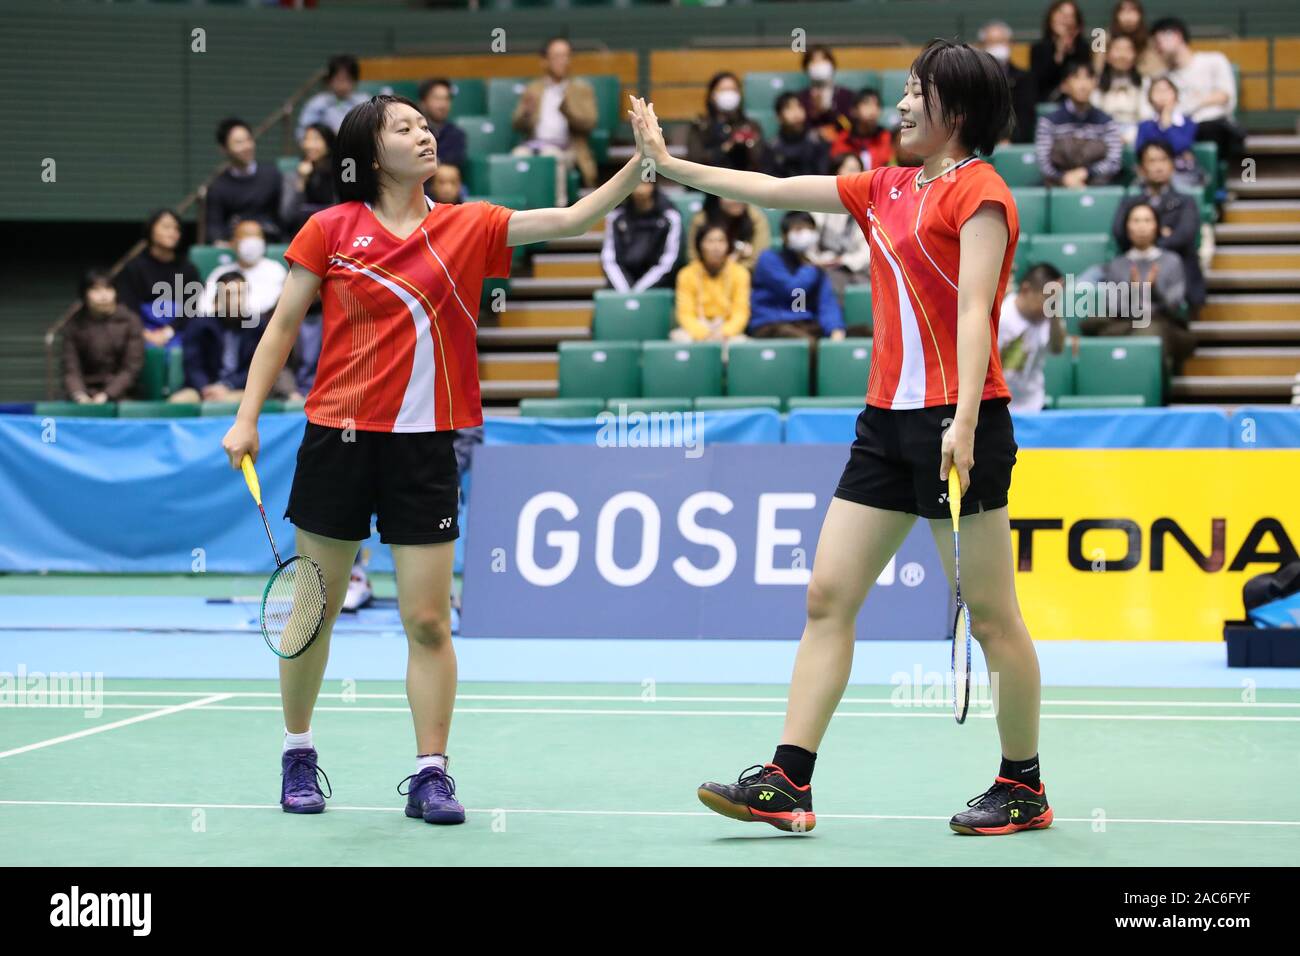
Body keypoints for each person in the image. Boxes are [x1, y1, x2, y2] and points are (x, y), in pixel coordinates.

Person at [631, 38, 1051, 836]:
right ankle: (789, 782)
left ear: (953, 112)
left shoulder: (982, 194)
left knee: (993, 618)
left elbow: (973, 309)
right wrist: (670, 165)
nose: (897, 105)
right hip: (886, 424)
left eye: (913, 92)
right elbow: (769, 184)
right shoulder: (883, 187)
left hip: (958, 423)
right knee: (827, 595)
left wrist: (961, 419)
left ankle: (1022, 784)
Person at [220, 93, 649, 824]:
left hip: (426, 445)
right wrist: (246, 417)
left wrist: (642, 161)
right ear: (369, 150)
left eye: (425, 125)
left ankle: (430, 773)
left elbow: (569, 219)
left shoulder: (467, 226)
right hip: (338, 437)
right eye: (405, 127)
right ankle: (298, 753)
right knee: (312, 612)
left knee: (428, 621)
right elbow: (282, 326)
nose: (424, 134)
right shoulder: (330, 229)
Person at [1085, 201, 1193, 375]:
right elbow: (1113, 308)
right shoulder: (1118, 265)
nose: (1141, 226)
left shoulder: (1171, 261)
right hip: (1125, 323)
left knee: (1149, 330)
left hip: (1164, 324)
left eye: (1147, 220)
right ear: (1127, 227)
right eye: (1135, 221)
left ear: (1156, 225)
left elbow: (1174, 306)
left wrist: (1153, 289)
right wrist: (1133, 292)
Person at [174, 272, 300, 405]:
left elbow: (258, 366)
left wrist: (228, 386)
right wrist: (206, 389)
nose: (236, 300)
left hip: (241, 389)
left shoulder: (258, 326)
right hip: (204, 389)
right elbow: (192, 365)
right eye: (229, 294)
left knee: (233, 401)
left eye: (240, 293)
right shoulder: (200, 325)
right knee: (179, 401)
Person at [1115, 139, 1205, 313]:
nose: (1158, 166)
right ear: (1141, 168)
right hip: (1135, 266)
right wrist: (1162, 234)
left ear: (1172, 165)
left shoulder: (1186, 202)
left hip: (1175, 270)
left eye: (1163, 160)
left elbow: (1184, 236)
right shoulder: (1129, 203)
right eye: (1152, 161)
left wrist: (1147, 241)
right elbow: (1120, 233)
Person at [511, 36, 599, 206]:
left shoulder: (581, 89)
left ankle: (559, 210)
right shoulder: (533, 88)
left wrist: (568, 112)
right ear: (545, 61)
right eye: (557, 56)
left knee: (551, 156)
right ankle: (516, 211)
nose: (562, 61)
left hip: (568, 148)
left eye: (565, 56)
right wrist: (526, 114)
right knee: (517, 156)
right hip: (533, 145)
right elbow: (516, 124)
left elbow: (590, 123)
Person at [1151, 17, 1245, 166]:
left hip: (1213, 126)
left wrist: (1190, 104)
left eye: (1158, 42)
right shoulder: (1162, 78)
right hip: (1180, 130)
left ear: (1175, 35)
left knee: (1212, 129)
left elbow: (1223, 95)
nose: (1157, 49)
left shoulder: (1214, 60)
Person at [748, 212, 845, 344]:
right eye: (798, 229)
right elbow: (793, 289)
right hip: (771, 324)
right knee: (807, 344)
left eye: (809, 229)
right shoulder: (768, 259)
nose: (805, 234)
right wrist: (812, 267)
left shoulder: (816, 267)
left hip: (804, 324)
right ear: (784, 236)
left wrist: (835, 329)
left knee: (861, 333)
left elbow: (827, 303)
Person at [114, 208, 202, 349]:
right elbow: (127, 306)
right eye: (166, 227)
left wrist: (168, 332)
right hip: (140, 331)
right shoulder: (133, 268)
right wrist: (145, 333)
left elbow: (191, 307)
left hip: (178, 331)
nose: (172, 233)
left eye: (176, 229)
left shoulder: (188, 269)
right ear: (151, 230)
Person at [62, 270, 145, 405]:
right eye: (96, 290)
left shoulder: (131, 321)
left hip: (123, 396)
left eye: (108, 289)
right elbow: (71, 369)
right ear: (85, 295)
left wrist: (107, 395)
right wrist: (79, 395)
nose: (104, 296)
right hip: (85, 394)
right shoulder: (73, 325)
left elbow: (131, 369)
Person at [1035, 61, 1122, 187]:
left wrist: (1086, 173)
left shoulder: (1107, 122)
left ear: (1095, 84)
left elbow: (1114, 161)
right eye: (1076, 77)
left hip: (1097, 185)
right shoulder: (1049, 122)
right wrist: (1064, 178)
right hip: (1057, 186)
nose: (1083, 84)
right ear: (1064, 85)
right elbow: (1043, 162)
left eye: (1088, 78)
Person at [997, 263, 1066, 412]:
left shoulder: (1050, 319)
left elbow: (1057, 349)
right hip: (998, 407)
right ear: (1026, 290)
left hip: (1034, 406)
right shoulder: (1001, 314)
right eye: (1046, 300)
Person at [671, 224, 751, 349]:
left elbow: (741, 313)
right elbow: (685, 314)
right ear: (700, 245)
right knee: (680, 339)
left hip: (726, 331)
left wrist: (724, 332)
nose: (716, 247)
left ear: (728, 246)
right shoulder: (686, 274)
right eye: (710, 241)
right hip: (696, 329)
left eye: (721, 241)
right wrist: (704, 334)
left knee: (741, 345)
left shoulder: (740, 273)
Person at [206, 118, 284, 244]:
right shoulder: (217, 187)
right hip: (235, 247)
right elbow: (214, 226)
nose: (246, 147)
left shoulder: (272, 175)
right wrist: (219, 242)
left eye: (248, 140)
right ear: (223, 149)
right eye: (238, 142)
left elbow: (283, 217)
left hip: (269, 242)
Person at [809, 153, 871, 301]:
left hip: (855, 267)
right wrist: (818, 260)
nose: (856, 175)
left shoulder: (868, 207)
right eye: (850, 169)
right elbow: (810, 239)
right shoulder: (820, 205)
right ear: (836, 172)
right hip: (823, 265)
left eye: (859, 170)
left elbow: (867, 249)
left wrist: (845, 261)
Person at [601, 178, 680, 292]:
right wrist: (626, 292)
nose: (641, 189)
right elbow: (609, 259)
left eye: (646, 183)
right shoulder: (616, 217)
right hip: (621, 288)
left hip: (657, 288)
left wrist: (639, 292)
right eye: (636, 183)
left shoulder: (670, 217)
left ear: (654, 184)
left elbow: (669, 260)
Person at [202, 220, 287, 319]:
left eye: (257, 237)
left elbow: (268, 306)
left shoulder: (275, 270)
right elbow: (204, 307)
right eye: (245, 237)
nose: (252, 242)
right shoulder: (221, 272)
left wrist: (229, 306)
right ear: (233, 243)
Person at [686, 72, 766, 173]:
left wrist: (748, 146)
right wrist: (725, 148)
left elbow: (761, 163)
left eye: (733, 90)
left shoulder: (751, 126)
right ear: (712, 95)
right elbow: (694, 160)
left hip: (742, 183)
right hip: (708, 183)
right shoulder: (701, 125)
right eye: (724, 90)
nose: (729, 95)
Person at [1136, 76, 1204, 190]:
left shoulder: (1188, 123)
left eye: (1167, 90)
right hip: (1151, 174)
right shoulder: (1145, 125)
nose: (1162, 94)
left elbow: (1181, 146)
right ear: (1150, 98)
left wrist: (1167, 124)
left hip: (1182, 173)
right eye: (1157, 90)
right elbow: (1141, 151)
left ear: (1176, 97)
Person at [977, 20, 1037, 144]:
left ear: (1010, 44)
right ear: (982, 46)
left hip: (1012, 142)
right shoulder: (973, 78)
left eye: (1001, 41)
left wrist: (1010, 139)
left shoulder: (1024, 78)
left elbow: (1025, 117)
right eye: (992, 42)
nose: (997, 47)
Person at [281, 122, 339, 235]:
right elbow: (288, 216)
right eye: (306, 139)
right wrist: (301, 181)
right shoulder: (294, 174)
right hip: (303, 231)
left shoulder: (340, 172)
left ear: (328, 144)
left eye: (316, 140)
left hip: (333, 230)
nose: (310, 145)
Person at [686, 194, 770, 271]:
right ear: (715, 196)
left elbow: (758, 258)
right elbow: (693, 257)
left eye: (742, 194)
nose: (738, 201)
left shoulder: (755, 218)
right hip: (706, 276)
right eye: (730, 195)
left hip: (744, 277)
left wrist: (731, 273)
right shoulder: (702, 220)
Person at [295, 55, 369, 141]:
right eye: (338, 79)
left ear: (355, 80)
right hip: (326, 151)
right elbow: (301, 133)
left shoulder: (365, 103)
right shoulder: (317, 103)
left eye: (347, 79)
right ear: (329, 80)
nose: (342, 84)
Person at [1030, 1, 1091, 103]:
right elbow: (1038, 83)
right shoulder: (1039, 49)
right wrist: (1059, 52)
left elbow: (1084, 75)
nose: (1065, 19)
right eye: (1061, 14)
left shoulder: (1082, 48)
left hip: (1076, 102)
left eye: (1070, 16)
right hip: (1046, 103)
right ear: (1051, 17)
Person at [1093, 34, 1150, 145]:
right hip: (1103, 135)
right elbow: (1094, 116)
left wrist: (1128, 137)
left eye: (1128, 50)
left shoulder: (1144, 83)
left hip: (1134, 136)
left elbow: (1146, 117)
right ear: (1107, 56)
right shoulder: (1096, 83)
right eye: (1118, 49)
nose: (1123, 55)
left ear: (1135, 56)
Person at [796, 45, 855, 142]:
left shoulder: (845, 95)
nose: (819, 65)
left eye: (823, 59)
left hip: (841, 144)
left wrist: (828, 110)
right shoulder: (801, 98)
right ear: (806, 67)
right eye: (814, 61)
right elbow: (798, 129)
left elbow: (849, 125)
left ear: (832, 64)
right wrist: (815, 113)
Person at [766, 92, 830, 178]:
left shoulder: (817, 141)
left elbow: (823, 176)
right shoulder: (772, 147)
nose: (796, 113)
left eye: (799, 106)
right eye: (789, 108)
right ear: (779, 117)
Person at [829, 88, 895, 169]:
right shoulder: (844, 139)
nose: (873, 110)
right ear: (854, 110)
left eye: (877, 105)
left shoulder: (886, 137)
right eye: (867, 104)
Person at [1100, 0, 1165, 78]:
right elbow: (1097, 67)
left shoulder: (1150, 41)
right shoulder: (1102, 38)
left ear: (1140, 15)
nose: (1128, 17)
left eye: (1132, 11)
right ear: (1116, 15)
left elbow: (1157, 70)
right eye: (1123, 11)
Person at [418, 78, 467, 172]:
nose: (443, 104)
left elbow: (455, 161)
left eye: (446, 99)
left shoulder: (457, 134)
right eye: (437, 98)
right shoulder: (416, 133)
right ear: (423, 102)